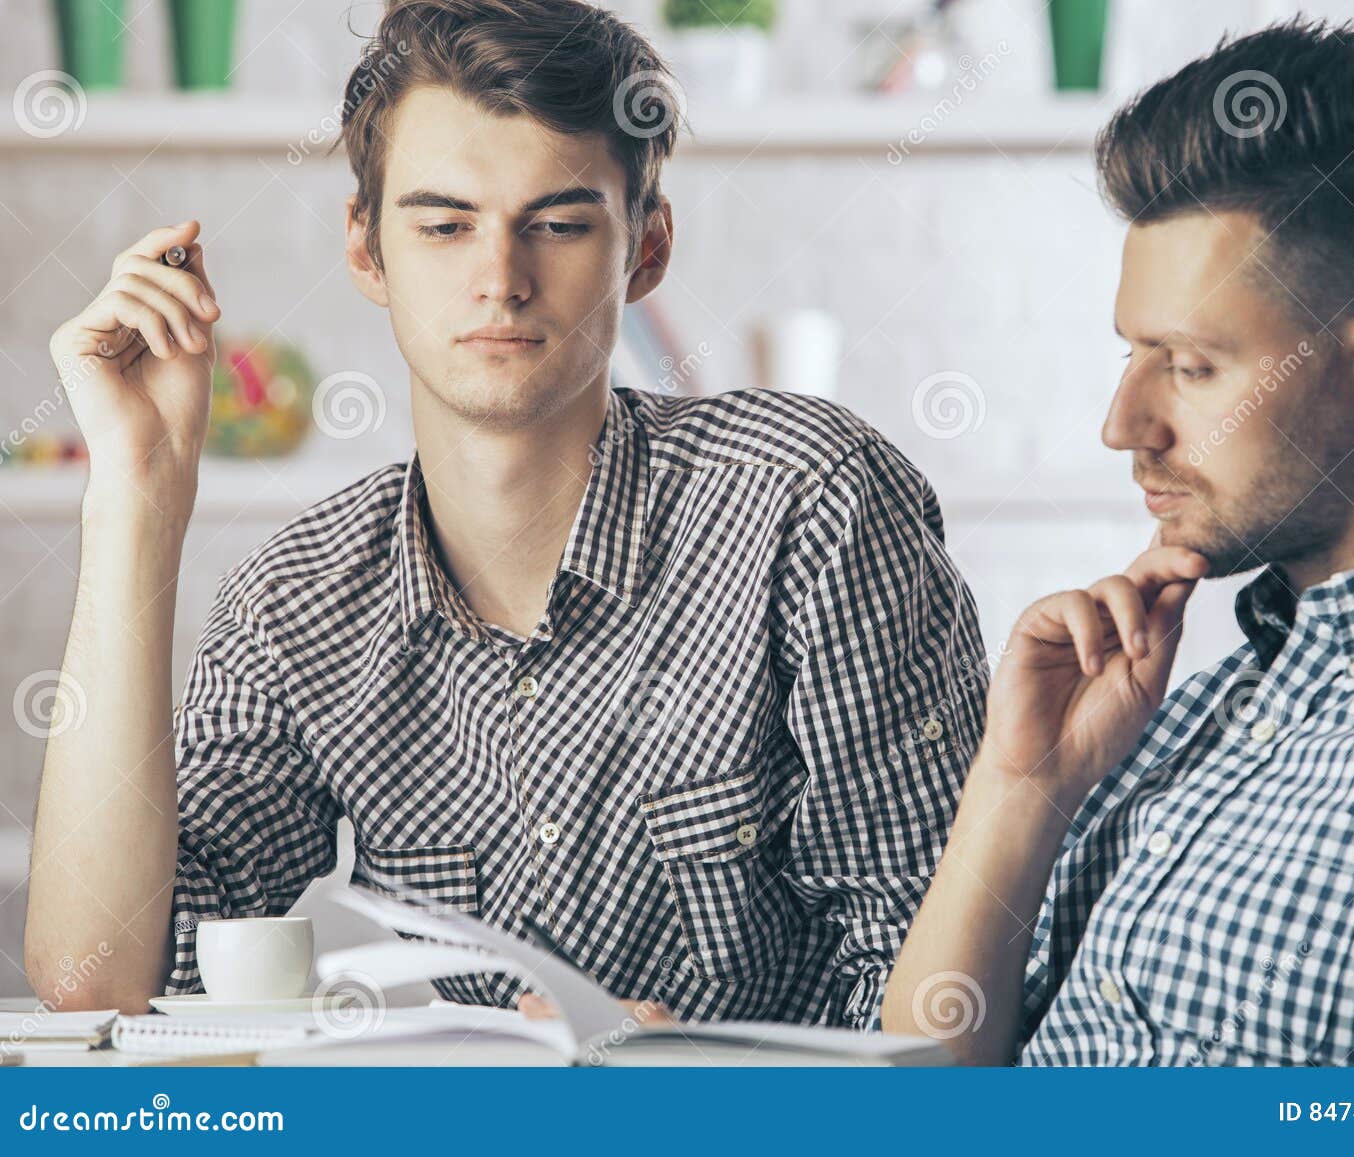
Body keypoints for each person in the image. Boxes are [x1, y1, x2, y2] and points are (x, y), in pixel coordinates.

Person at [26, 0, 987, 1027]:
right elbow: (102, 976)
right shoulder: (296, 601)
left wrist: (717, 1074)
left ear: (646, 248)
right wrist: (136, 490)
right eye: (444, 226)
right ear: (366, 249)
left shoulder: (811, 502)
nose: (500, 281)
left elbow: (947, 990)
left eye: (560, 225)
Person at [882, 19, 1354, 1065]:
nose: (1123, 424)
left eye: (1190, 364)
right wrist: (1020, 789)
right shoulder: (1188, 714)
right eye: (1133, 355)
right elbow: (912, 1111)